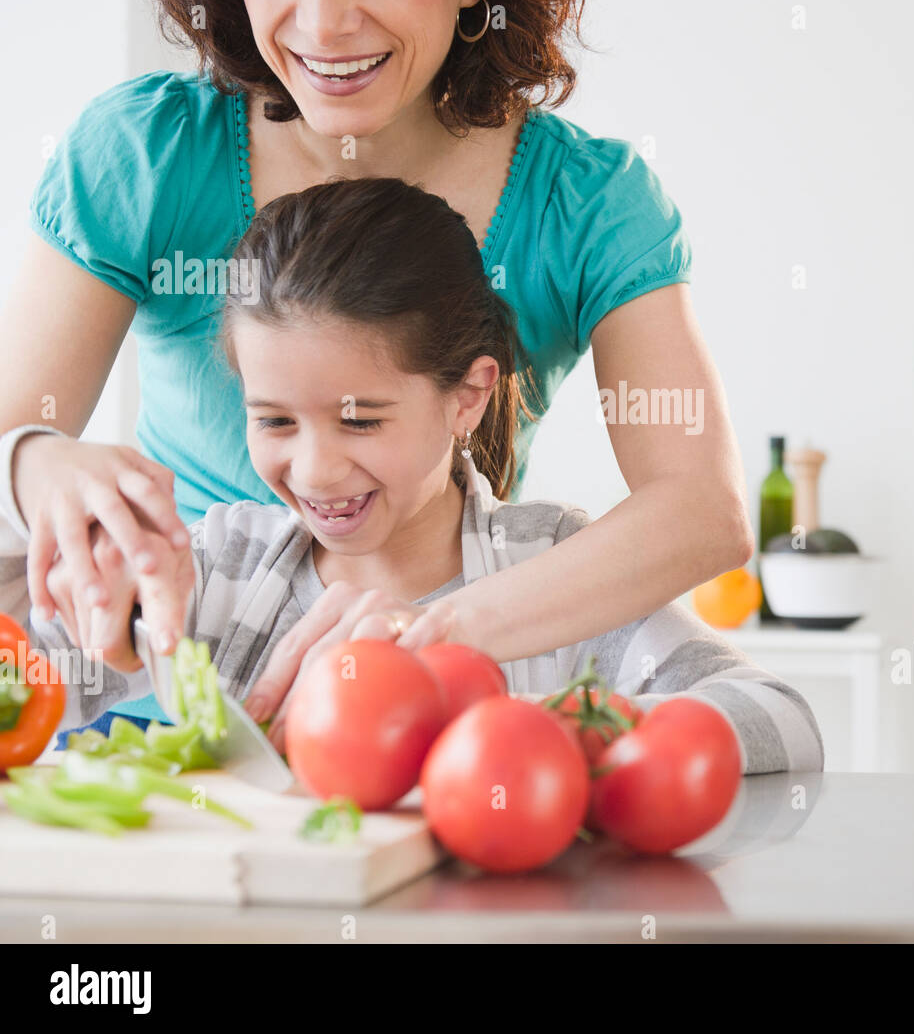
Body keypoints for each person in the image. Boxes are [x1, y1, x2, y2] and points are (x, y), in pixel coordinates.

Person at [4, 0, 752, 730]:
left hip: (410, 694)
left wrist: (434, 633)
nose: (322, 24)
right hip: (186, 680)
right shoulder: (147, 155)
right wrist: (30, 462)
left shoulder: (587, 204)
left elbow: (701, 511)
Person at [0, 178, 823, 774]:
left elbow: (782, 723)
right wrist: (32, 473)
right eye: (276, 420)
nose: (315, 468)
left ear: (467, 396)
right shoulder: (214, 566)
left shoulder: (557, 564)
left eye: (361, 419)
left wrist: (514, 734)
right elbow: (26, 688)